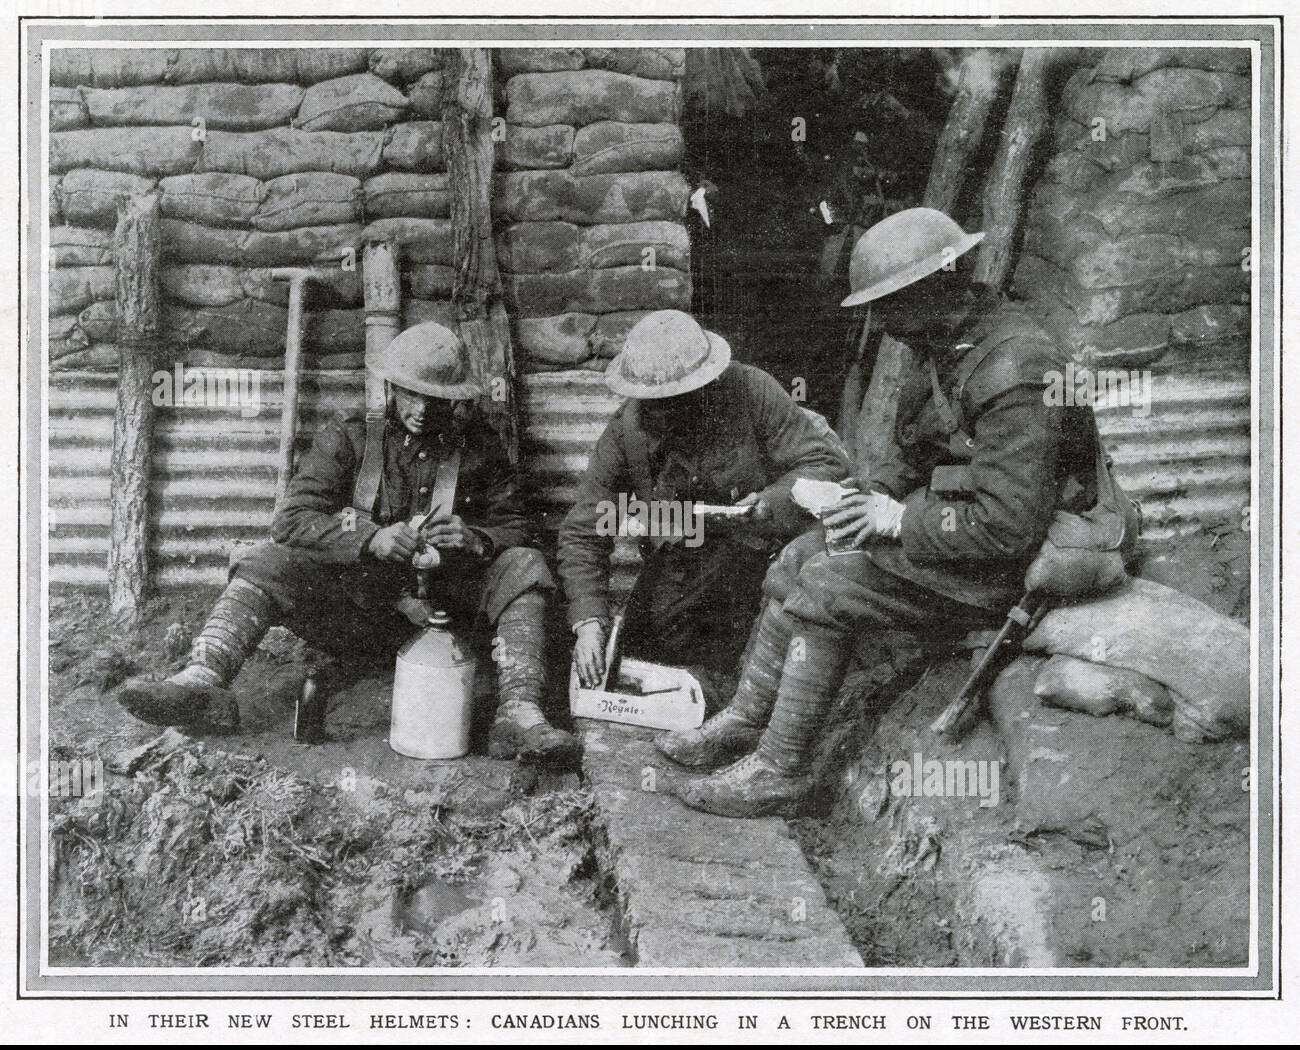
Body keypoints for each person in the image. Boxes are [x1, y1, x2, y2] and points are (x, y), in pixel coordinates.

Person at [657, 207, 1106, 817]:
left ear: (933, 289)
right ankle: (745, 720)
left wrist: (895, 522)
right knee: (798, 557)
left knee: (826, 585)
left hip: (1008, 564)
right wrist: (862, 500)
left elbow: (1009, 526)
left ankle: (779, 771)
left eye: (888, 304)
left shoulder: (1016, 371)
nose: (880, 322)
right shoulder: (947, 346)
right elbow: (916, 453)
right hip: (954, 532)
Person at [119, 321, 579, 765]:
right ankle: (204, 678)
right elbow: (292, 520)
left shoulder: (480, 446)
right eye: (411, 393)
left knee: (525, 564)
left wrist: (475, 538)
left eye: (435, 399)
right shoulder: (351, 436)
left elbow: (520, 527)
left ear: (454, 401)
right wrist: (369, 539)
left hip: (448, 625)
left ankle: (518, 714)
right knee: (269, 560)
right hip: (357, 615)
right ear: (392, 387)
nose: (421, 408)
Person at [557, 309, 850, 699]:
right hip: (686, 563)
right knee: (643, 658)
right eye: (653, 402)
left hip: (764, 553)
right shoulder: (626, 432)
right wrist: (589, 622)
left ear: (705, 383)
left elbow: (824, 463)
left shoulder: (752, 391)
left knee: (769, 646)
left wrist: (769, 503)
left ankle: (743, 699)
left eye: (678, 399)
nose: (664, 411)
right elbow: (585, 530)